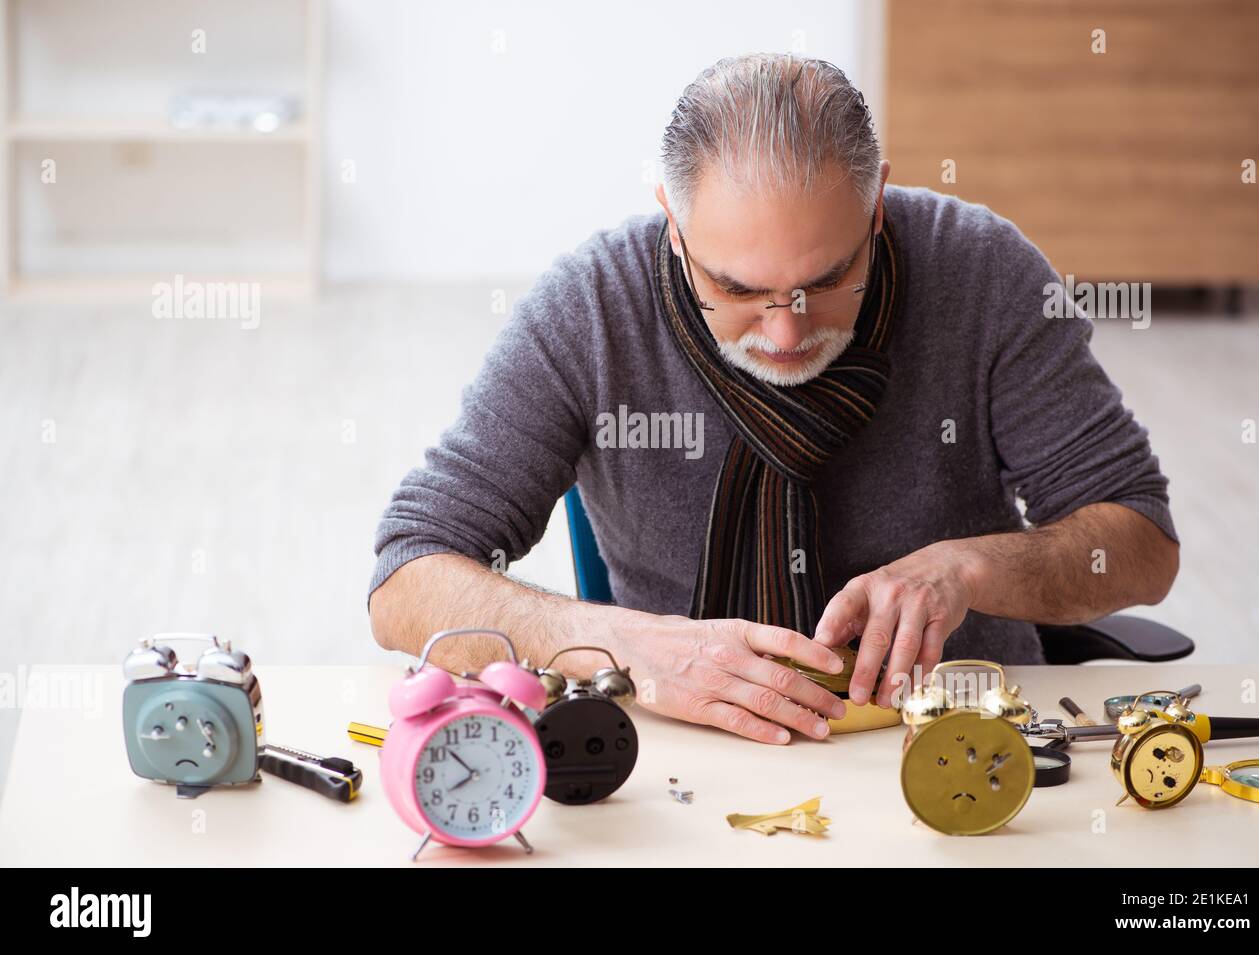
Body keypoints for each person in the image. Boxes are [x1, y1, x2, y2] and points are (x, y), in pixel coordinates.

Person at [368, 53, 1179, 745]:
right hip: (691, 746)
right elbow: (408, 576)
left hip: (957, 737)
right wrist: (618, 641)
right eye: (737, 288)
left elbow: (1142, 540)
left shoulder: (984, 273)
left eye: (826, 282)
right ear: (674, 228)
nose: (787, 335)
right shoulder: (590, 309)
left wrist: (968, 566)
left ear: (878, 206)